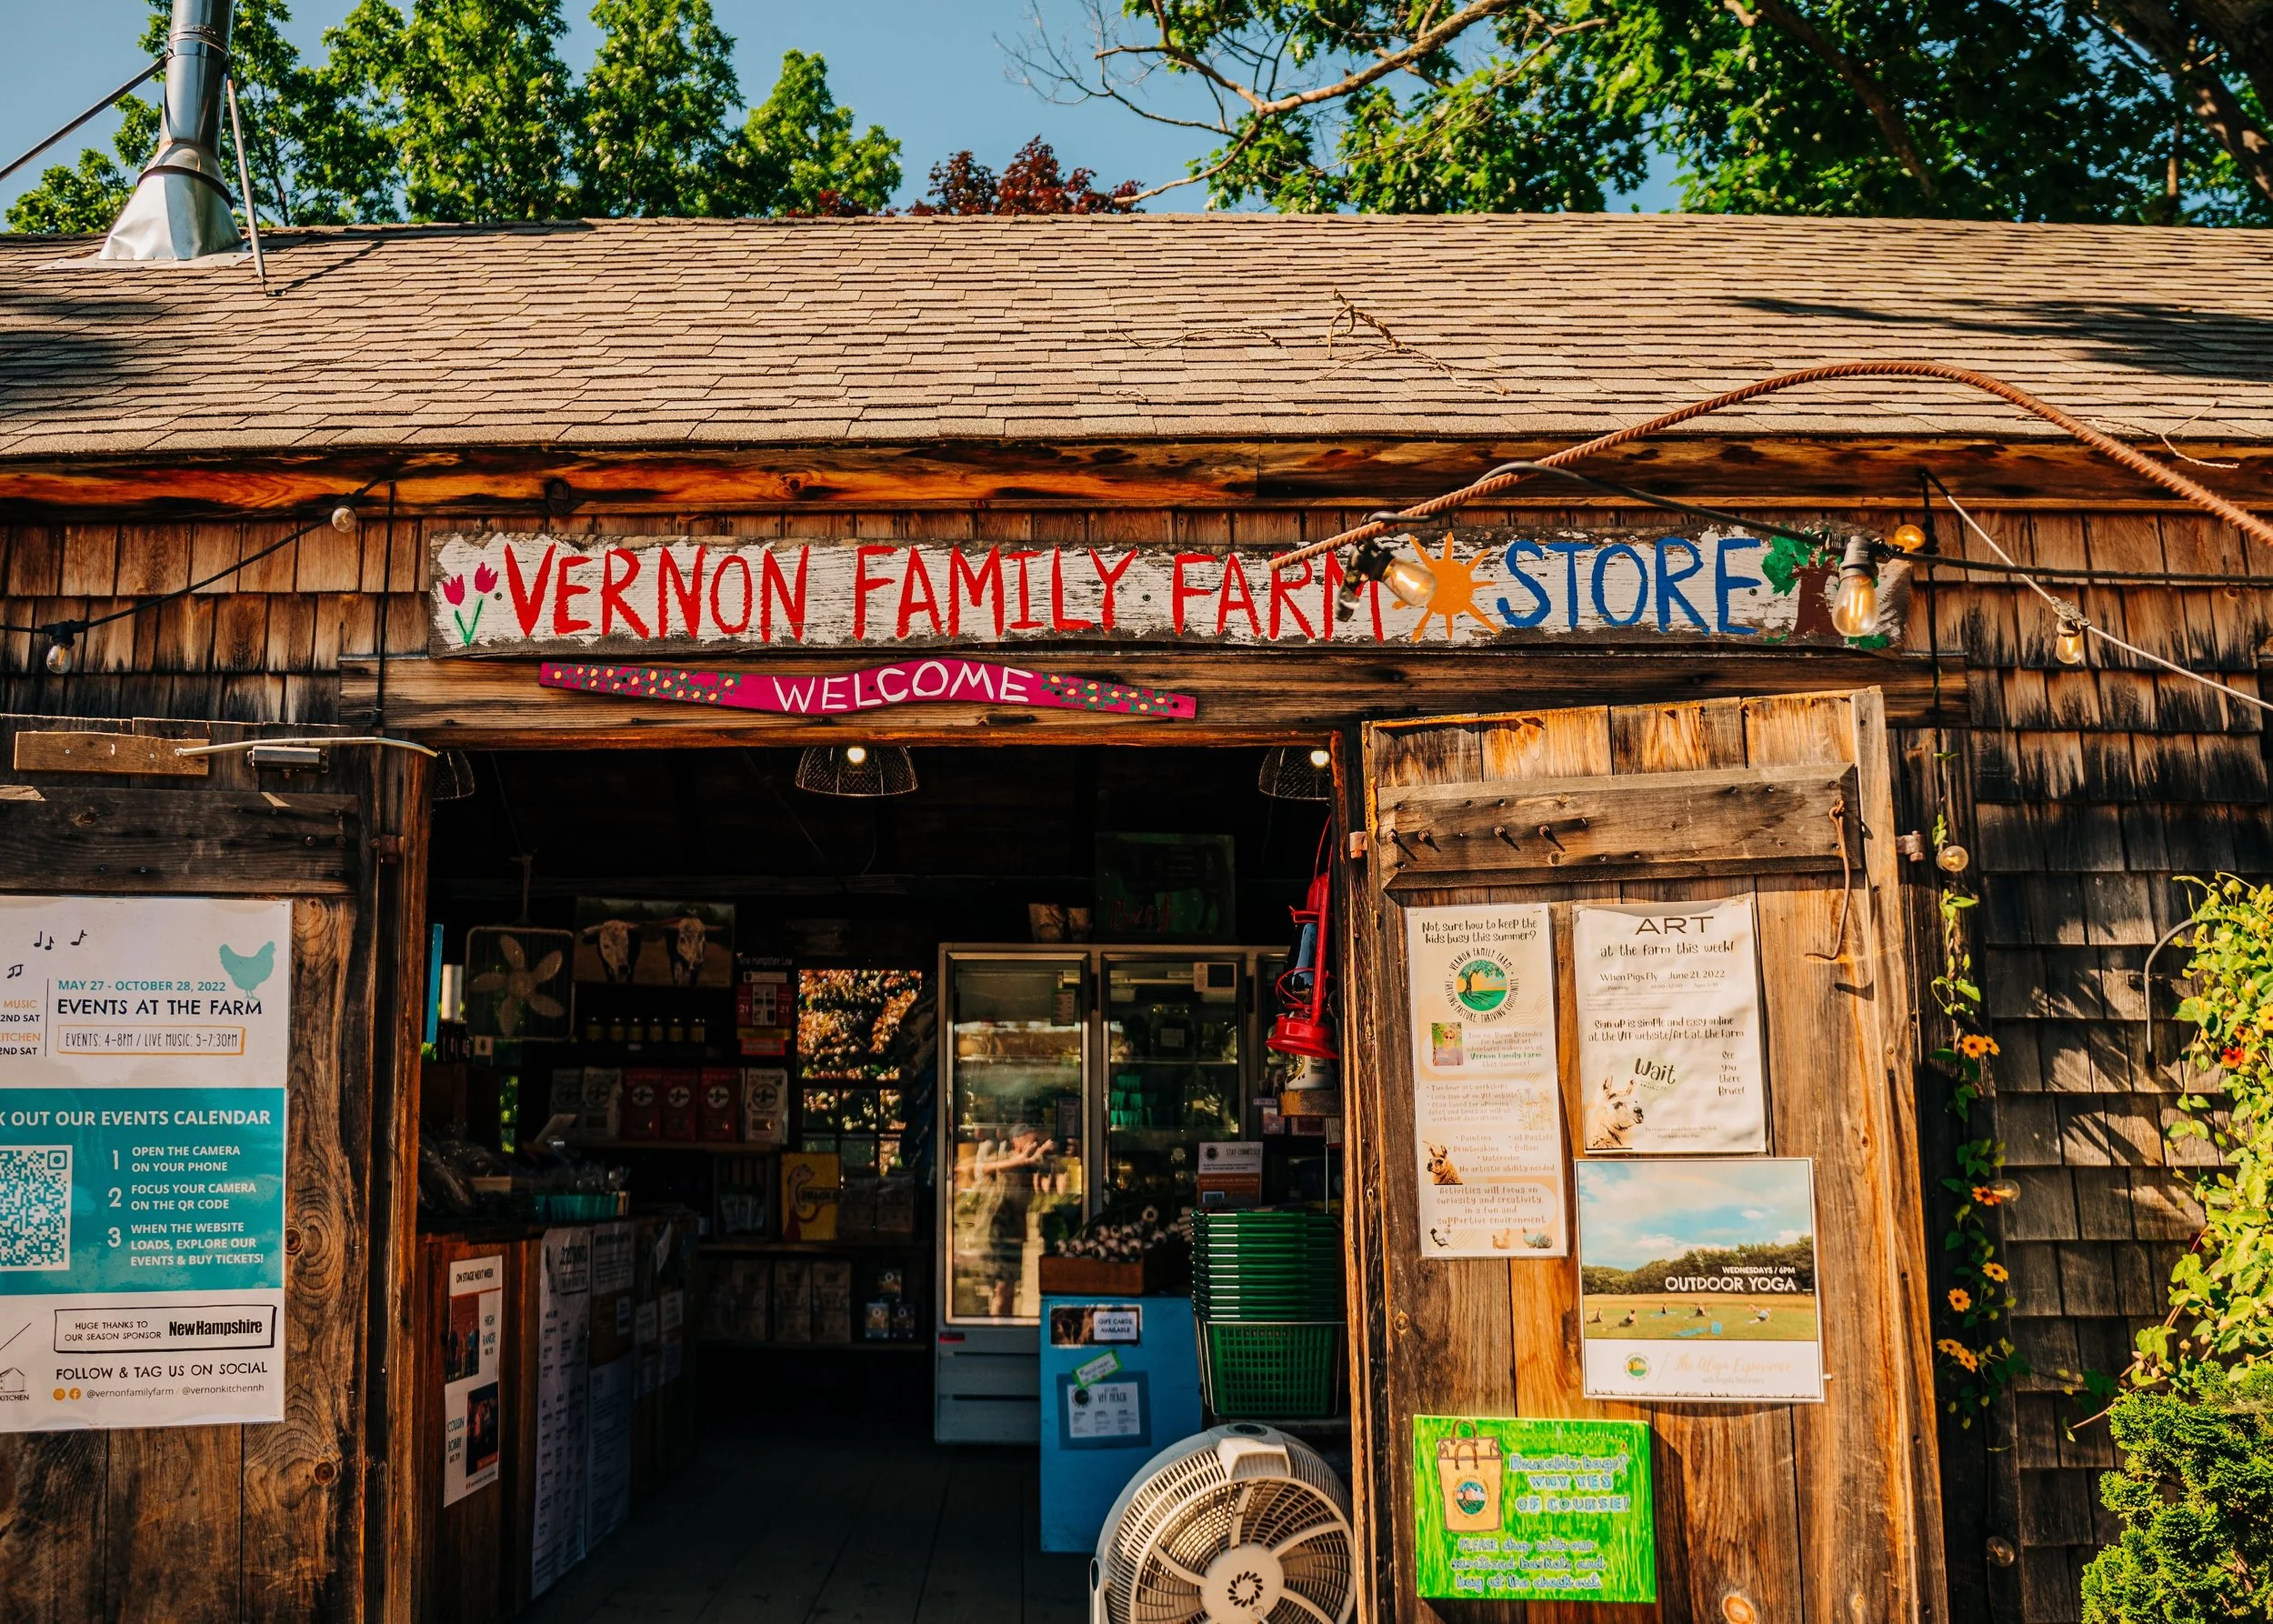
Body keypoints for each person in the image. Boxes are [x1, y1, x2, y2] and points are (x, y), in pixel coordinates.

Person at [973, 1128, 1054, 1318]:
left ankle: (1002, 1324)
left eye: (1037, 1142)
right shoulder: (1003, 1159)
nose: (1034, 1146)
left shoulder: (1030, 1166)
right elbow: (984, 1168)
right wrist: (1023, 1160)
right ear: (1017, 1141)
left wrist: (1042, 1163)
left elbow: (1044, 1190)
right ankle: (997, 1329)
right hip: (995, 1233)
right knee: (1002, 1290)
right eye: (1032, 1141)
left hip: (1014, 1234)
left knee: (1009, 1291)